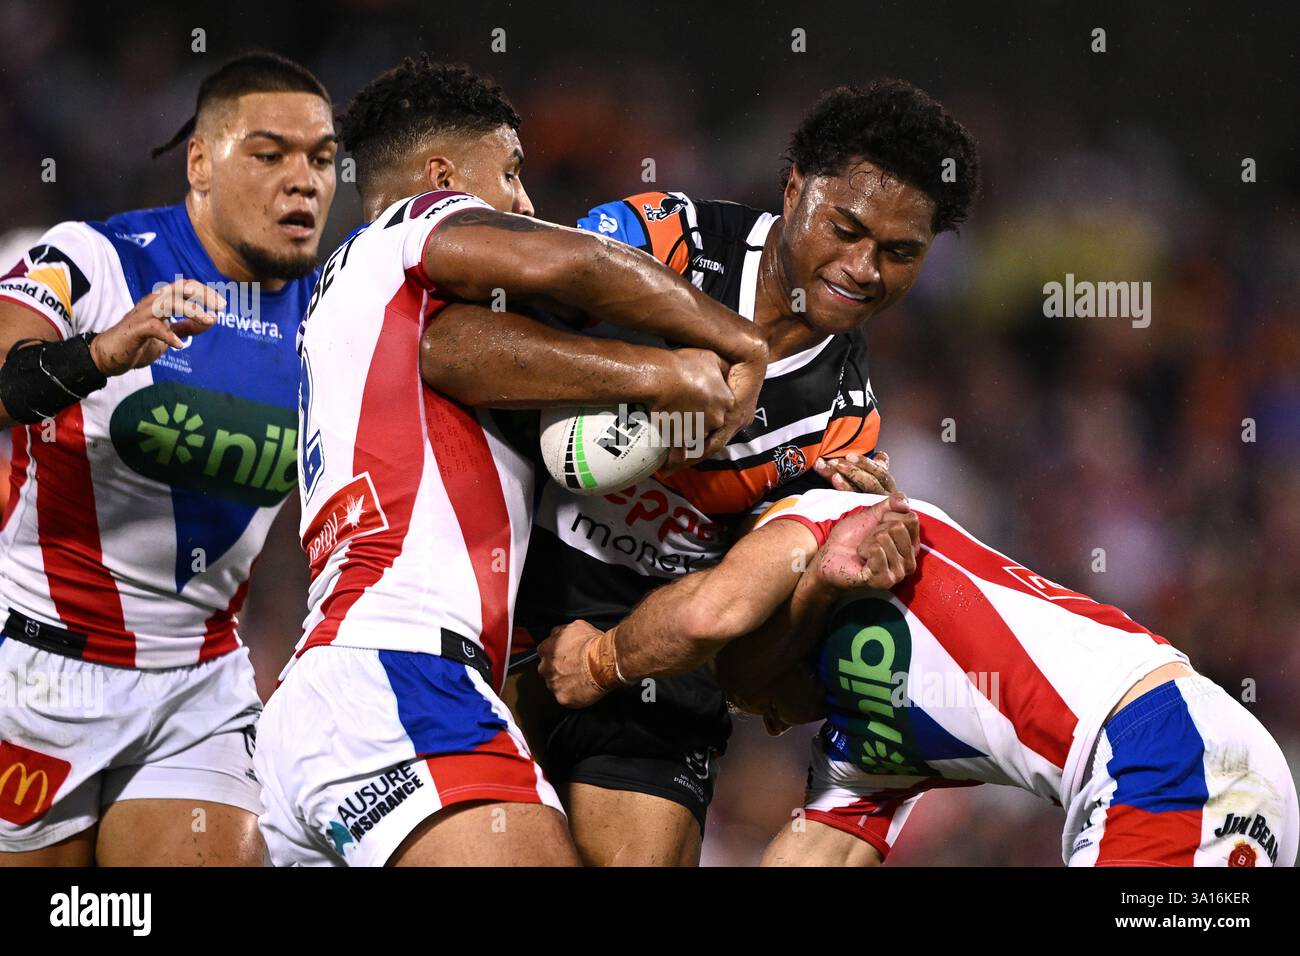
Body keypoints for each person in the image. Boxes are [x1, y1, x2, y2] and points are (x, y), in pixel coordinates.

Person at [253, 56, 768, 867]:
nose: (526, 201)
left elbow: (484, 349)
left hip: (326, 694)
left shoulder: (355, 294)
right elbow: (575, 263)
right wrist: (732, 345)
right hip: (403, 673)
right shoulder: (412, 225)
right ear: (440, 175)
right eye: (513, 172)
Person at [515, 78, 980, 866]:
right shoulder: (662, 235)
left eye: (900, 253)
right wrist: (648, 384)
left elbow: (754, 677)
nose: (865, 268)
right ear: (795, 183)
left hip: (648, 660)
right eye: (846, 228)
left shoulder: (845, 428)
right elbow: (476, 343)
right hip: (502, 583)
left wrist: (834, 582)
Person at [539, 487, 1298, 867]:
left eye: (754, 700)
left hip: (1166, 753)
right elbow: (817, 853)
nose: (770, 722)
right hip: (1165, 772)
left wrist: (602, 661)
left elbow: (709, 615)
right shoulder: (858, 753)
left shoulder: (835, 519)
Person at [0, 52, 338, 865]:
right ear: (200, 162)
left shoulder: (334, 311)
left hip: (202, 683)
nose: (305, 183)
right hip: (40, 673)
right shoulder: (94, 258)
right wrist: (103, 354)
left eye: (323, 159)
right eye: (270, 154)